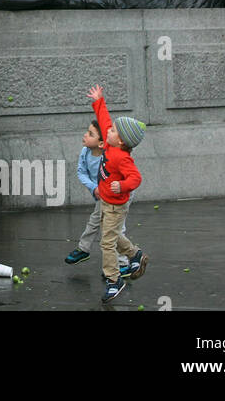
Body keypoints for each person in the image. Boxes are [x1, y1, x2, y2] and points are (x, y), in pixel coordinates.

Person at [87, 84, 148, 302]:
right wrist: (98, 100)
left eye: (113, 131)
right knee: (111, 236)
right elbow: (104, 120)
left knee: (107, 242)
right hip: (106, 201)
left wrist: (122, 186)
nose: (108, 130)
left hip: (115, 205)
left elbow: (136, 178)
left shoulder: (122, 157)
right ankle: (134, 254)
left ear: (120, 140)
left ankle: (114, 281)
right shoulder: (112, 145)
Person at [63, 118, 129, 273]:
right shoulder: (85, 151)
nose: (85, 135)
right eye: (87, 131)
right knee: (95, 222)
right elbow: (81, 172)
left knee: (116, 228)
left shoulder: (110, 155)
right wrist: (94, 188)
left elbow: (123, 176)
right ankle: (84, 249)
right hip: (103, 195)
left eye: (90, 134)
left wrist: (115, 188)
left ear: (101, 143)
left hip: (118, 196)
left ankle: (123, 263)